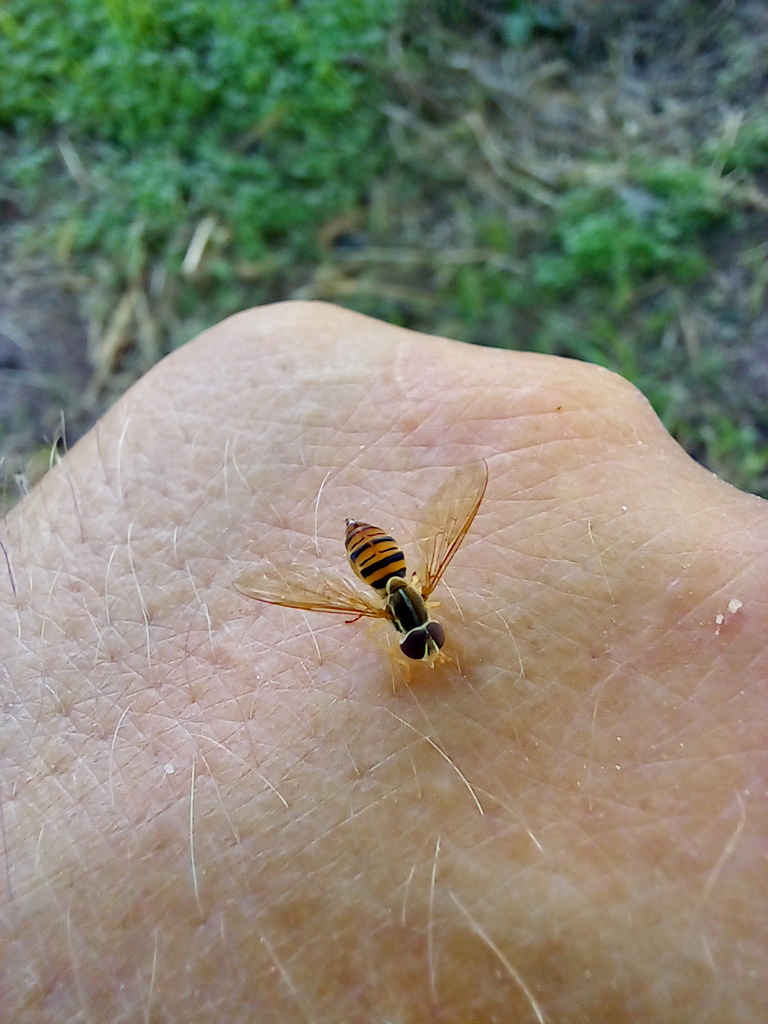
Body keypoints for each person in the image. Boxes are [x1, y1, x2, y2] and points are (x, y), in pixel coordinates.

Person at [1, 301, 765, 1023]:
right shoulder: (373, 606)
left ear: (420, 613)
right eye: (418, 640)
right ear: (401, 616)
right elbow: (333, 609)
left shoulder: (417, 598)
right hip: (377, 561)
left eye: (420, 638)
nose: (422, 643)